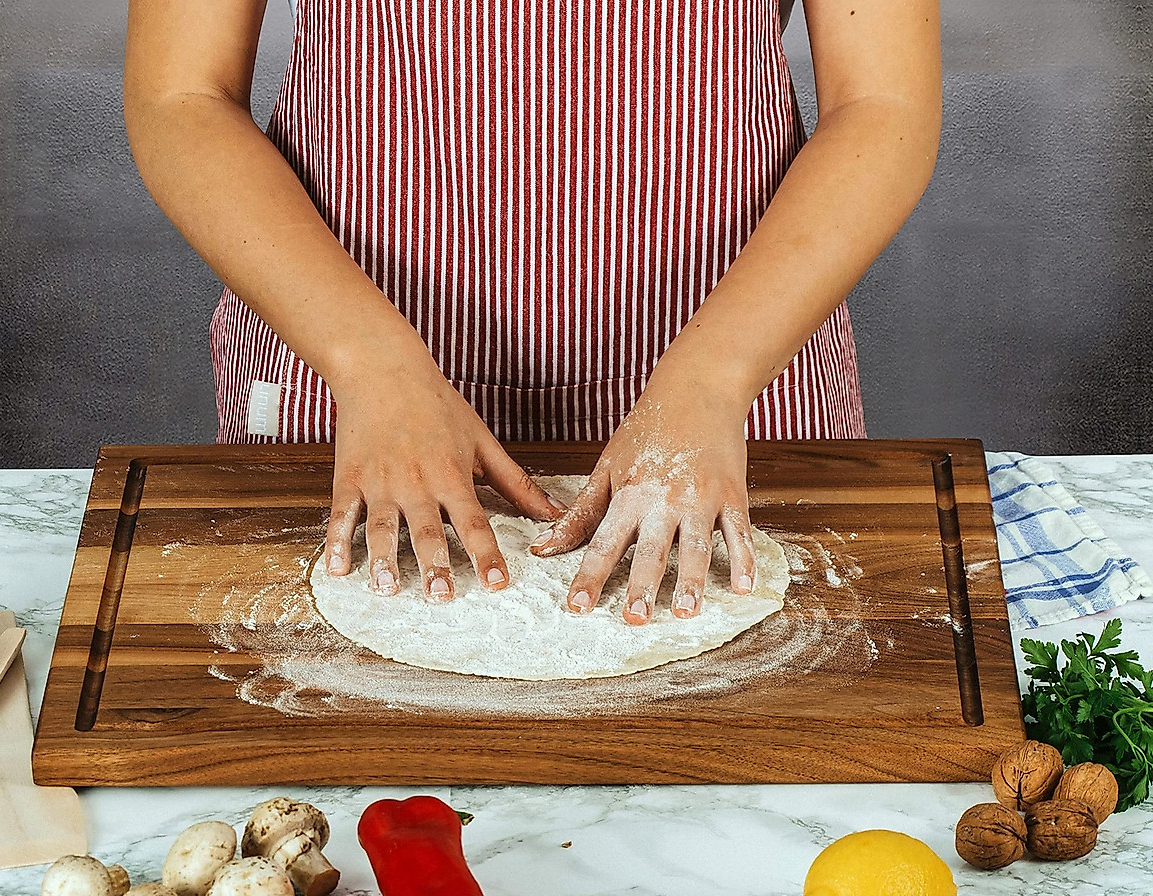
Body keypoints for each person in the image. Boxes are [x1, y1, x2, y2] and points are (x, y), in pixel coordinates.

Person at [125, 0, 940, 624]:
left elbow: (882, 101)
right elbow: (182, 93)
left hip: (739, 383)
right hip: (347, 388)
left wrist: (717, 379)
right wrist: (368, 364)